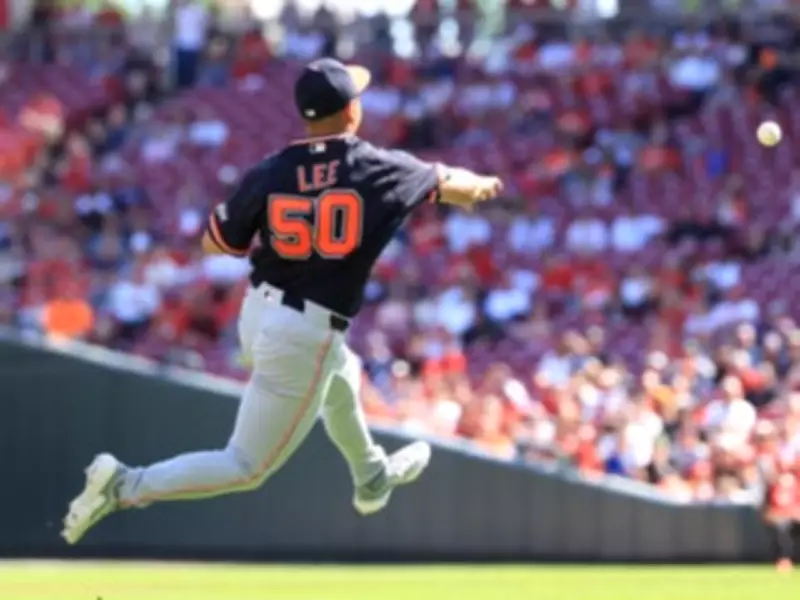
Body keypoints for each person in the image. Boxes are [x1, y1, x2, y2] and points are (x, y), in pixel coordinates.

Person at [61, 58, 503, 544]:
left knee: (342, 378)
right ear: (352, 112)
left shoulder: (270, 170)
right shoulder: (378, 167)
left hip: (260, 312)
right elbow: (455, 186)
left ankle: (370, 472)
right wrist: (484, 185)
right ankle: (126, 485)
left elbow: (217, 241)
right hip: (303, 332)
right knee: (246, 464)